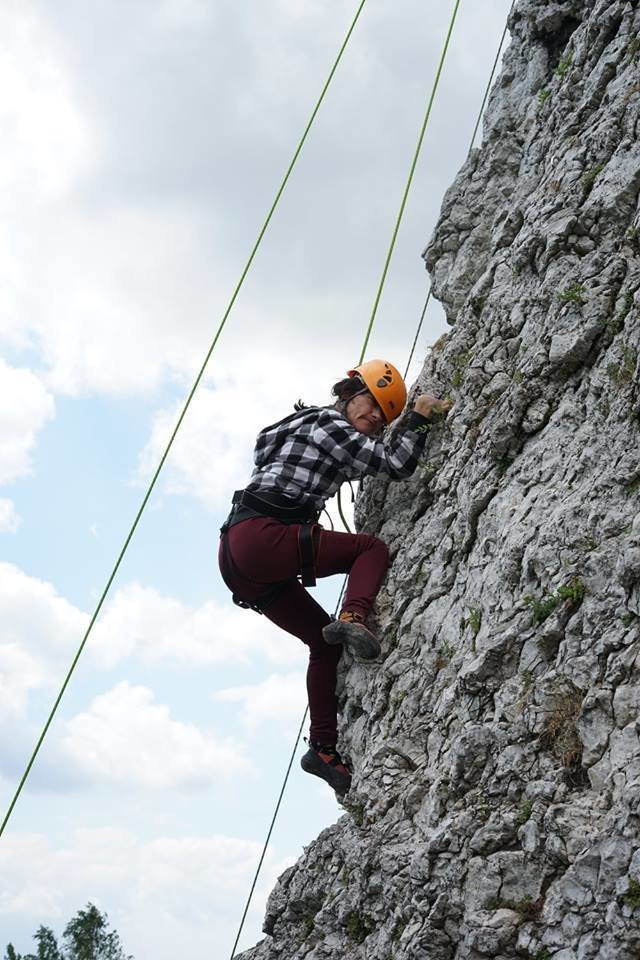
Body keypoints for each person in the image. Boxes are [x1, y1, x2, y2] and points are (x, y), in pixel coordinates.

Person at [218, 359, 452, 796]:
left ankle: (322, 749)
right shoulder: (329, 423)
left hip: (238, 555)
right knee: (370, 548)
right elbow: (396, 464)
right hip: (263, 535)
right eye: (372, 404)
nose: (376, 418)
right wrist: (418, 417)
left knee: (322, 644)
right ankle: (356, 616)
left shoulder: (298, 425)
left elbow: (277, 452)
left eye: (385, 415)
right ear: (350, 392)